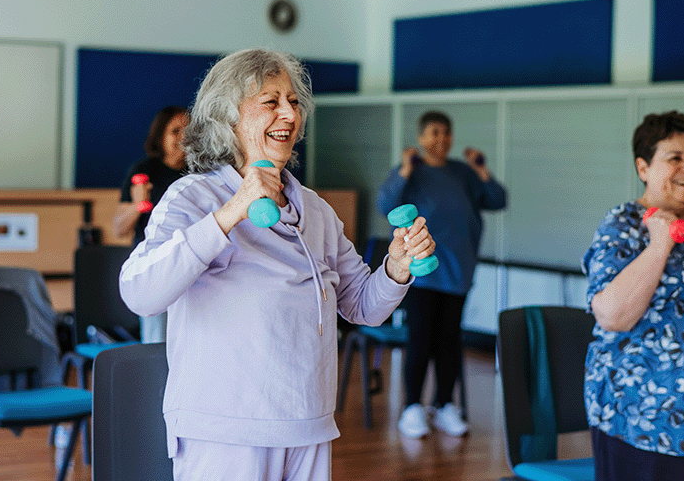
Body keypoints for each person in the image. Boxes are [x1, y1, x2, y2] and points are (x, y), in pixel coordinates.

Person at [119, 48, 435, 481]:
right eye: (270, 102)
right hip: (226, 428)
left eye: (293, 102)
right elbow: (140, 292)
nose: (289, 113)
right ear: (229, 119)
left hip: (308, 423)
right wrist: (231, 212)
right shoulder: (193, 198)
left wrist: (397, 268)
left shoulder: (317, 211)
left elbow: (365, 306)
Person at [583, 111, 684, 481]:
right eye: (674, 158)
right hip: (643, 421)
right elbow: (612, 316)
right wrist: (658, 245)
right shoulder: (623, 225)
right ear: (643, 168)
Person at [377, 110, 506, 439]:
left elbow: (497, 199)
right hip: (422, 272)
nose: (441, 139)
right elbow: (386, 204)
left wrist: (481, 169)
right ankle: (412, 408)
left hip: (458, 270)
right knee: (421, 339)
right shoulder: (413, 173)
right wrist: (405, 169)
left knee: (450, 341)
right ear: (421, 138)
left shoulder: (463, 172)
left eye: (446, 133)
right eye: (434, 133)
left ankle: (445, 405)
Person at [113, 105, 189, 343]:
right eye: (175, 131)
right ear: (160, 137)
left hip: (191, 263)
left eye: (189, 131)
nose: (184, 138)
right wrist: (138, 205)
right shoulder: (144, 171)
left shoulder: (200, 172)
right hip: (155, 265)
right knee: (157, 342)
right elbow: (119, 229)